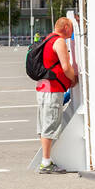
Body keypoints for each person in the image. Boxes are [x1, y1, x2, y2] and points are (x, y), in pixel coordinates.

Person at [36, 17, 77, 173]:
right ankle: (46, 163)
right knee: (50, 124)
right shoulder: (59, 41)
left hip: (42, 87)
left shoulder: (47, 39)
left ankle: (46, 160)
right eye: (71, 28)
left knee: (45, 124)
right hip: (52, 89)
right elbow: (66, 67)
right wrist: (73, 79)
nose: (72, 32)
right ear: (66, 27)